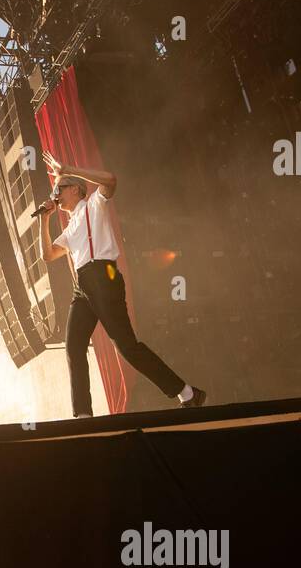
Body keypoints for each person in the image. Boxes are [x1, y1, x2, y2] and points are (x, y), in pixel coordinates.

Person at [38, 152, 206, 417]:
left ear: (75, 190)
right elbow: (48, 255)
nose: (56, 195)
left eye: (59, 189)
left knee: (128, 348)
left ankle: (187, 392)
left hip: (103, 278)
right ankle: (83, 414)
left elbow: (110, 180)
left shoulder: (94, 204)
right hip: (82, 286)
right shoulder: (70, 228)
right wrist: (44, 220)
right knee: (73, 346)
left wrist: (69, 168)